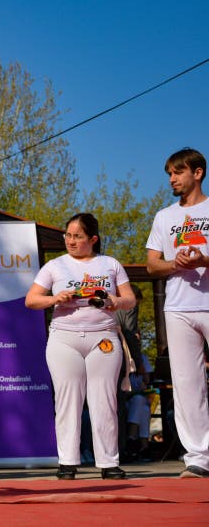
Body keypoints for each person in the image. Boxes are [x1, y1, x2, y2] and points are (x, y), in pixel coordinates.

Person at [25, 213, 136, 480]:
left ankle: (109, 463)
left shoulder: (110, 264)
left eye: (77, 236)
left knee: (105, 400)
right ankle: (67, 462)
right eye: (68, 235)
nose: (71, 241)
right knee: (67, 399)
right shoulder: (55, 265)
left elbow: (130, 299)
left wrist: (112, 301)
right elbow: (31, 300)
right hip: (65, 338)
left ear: (93, 239)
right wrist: (55, 298)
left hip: (104, 337)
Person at [145, 148, 209, 478]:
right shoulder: (164, 216)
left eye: (178, 172)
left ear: (197, 173)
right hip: (178, 306)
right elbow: (152, 263)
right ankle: (198, 457)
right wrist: (175, 264)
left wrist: (203, 261)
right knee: (186, 383)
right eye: (169, 173)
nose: (172, 178)